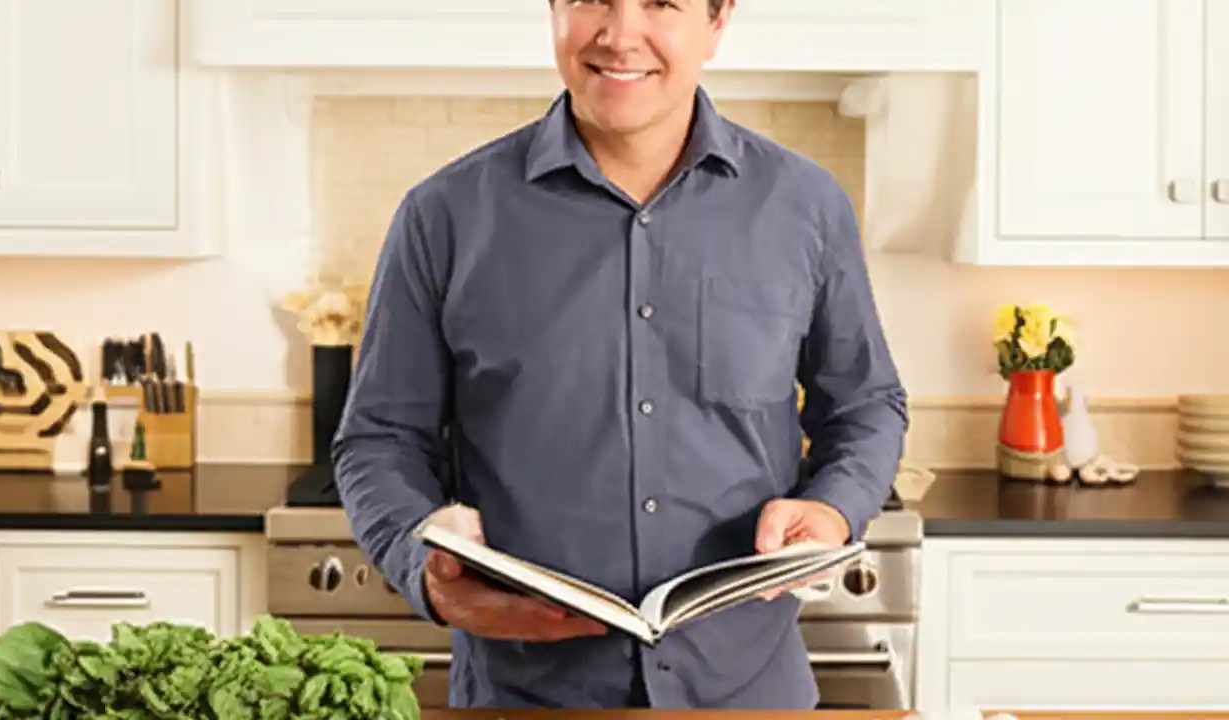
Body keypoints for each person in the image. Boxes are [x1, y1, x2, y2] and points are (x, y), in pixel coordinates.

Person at [332, 0, 908, 709]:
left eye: (660, 3)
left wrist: (833, 508)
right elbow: (378, 439)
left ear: (719, 19)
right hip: (523, 697)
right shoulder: (444, 216)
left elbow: (867, 406)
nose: (619, 33)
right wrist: (423, 567)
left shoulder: (807, 207)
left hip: (750, 694)